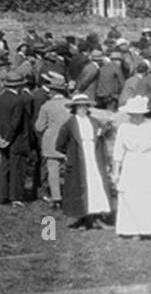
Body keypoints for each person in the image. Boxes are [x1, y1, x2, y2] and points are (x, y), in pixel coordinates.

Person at [111, 95, 151, 239]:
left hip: (148, 163)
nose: (135, 117)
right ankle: (132, 230)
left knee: (148, 196)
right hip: (131, 163)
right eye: (132, 114)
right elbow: (118, 150)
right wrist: (116, 171)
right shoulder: (124, 127)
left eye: (138, 114)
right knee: (130, 196)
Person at [55, 93, 112, 229]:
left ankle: (97, 217)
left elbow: (102, 143)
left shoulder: (94, 122)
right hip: (78, 159)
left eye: (84, 106)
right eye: (79, 106)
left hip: (94, 157)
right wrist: (69, 155)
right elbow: (60, 144)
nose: (82, 109)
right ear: (74, 108)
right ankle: (83, 219)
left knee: (96, 186)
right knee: (80, 188)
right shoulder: (69, 124)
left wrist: (105, 159)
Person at [34, 73, 72, 208]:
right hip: (68, 141)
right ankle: (70, 194)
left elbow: (39, 127)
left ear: (53, 91)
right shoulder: (70, 104)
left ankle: (56, 197)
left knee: (53, 171)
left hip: (51, 141)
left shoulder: (46, 106)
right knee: (70, 170)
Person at [0, 67, 32, 204]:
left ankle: (3, 195)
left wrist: (1, 137)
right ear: (20, 85)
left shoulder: (1, 97)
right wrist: (8, 138)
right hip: (16, 139)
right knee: (17, 168)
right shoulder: (19, 100)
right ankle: (16, 197)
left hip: (1, 137)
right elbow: (16, 122)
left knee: (4, 167)